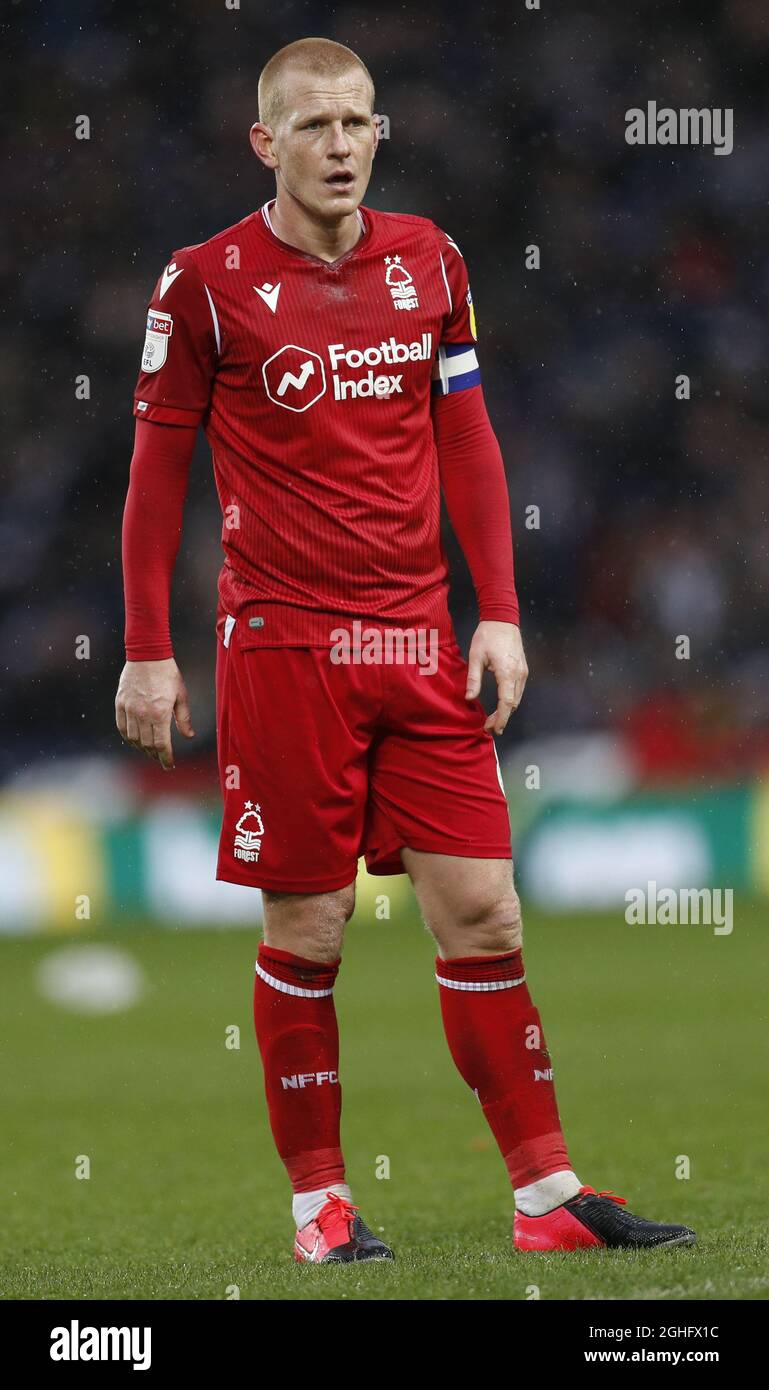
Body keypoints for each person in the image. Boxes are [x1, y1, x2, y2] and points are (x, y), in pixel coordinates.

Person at [116, 37, 695, 1263]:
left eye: (359, 123)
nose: (340, 146)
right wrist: (148, 650)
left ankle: (547, 1199)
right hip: (281, 646)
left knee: (485, 912)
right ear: (265, 143)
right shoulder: (202, 283)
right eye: (314, 127)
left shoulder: (430, 258)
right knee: (309, 931)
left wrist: (499, 610)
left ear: (381, 133)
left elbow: (468, 436)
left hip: (422, 640)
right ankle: (320, 1208)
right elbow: (155, 472)